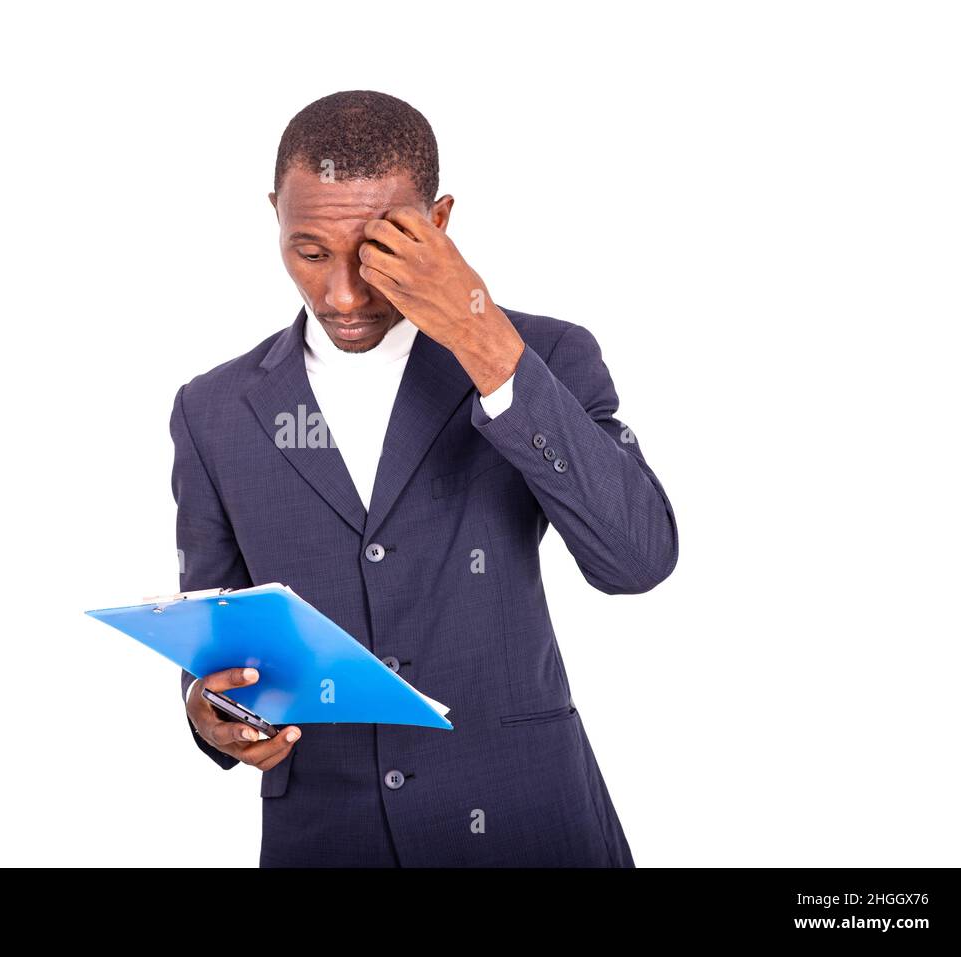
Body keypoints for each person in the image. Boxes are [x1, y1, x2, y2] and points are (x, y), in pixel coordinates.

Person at [172, 90, 678, 867]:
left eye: (374, 252)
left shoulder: (545, 355)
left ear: (436, 224)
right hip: (325, 839)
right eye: (309, 252)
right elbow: (219, 632)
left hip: (529, 827)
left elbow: (637, 559)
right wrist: (211, 710)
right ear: (275, 213)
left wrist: (486, 345)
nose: (342, 295)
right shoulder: (213, 410)